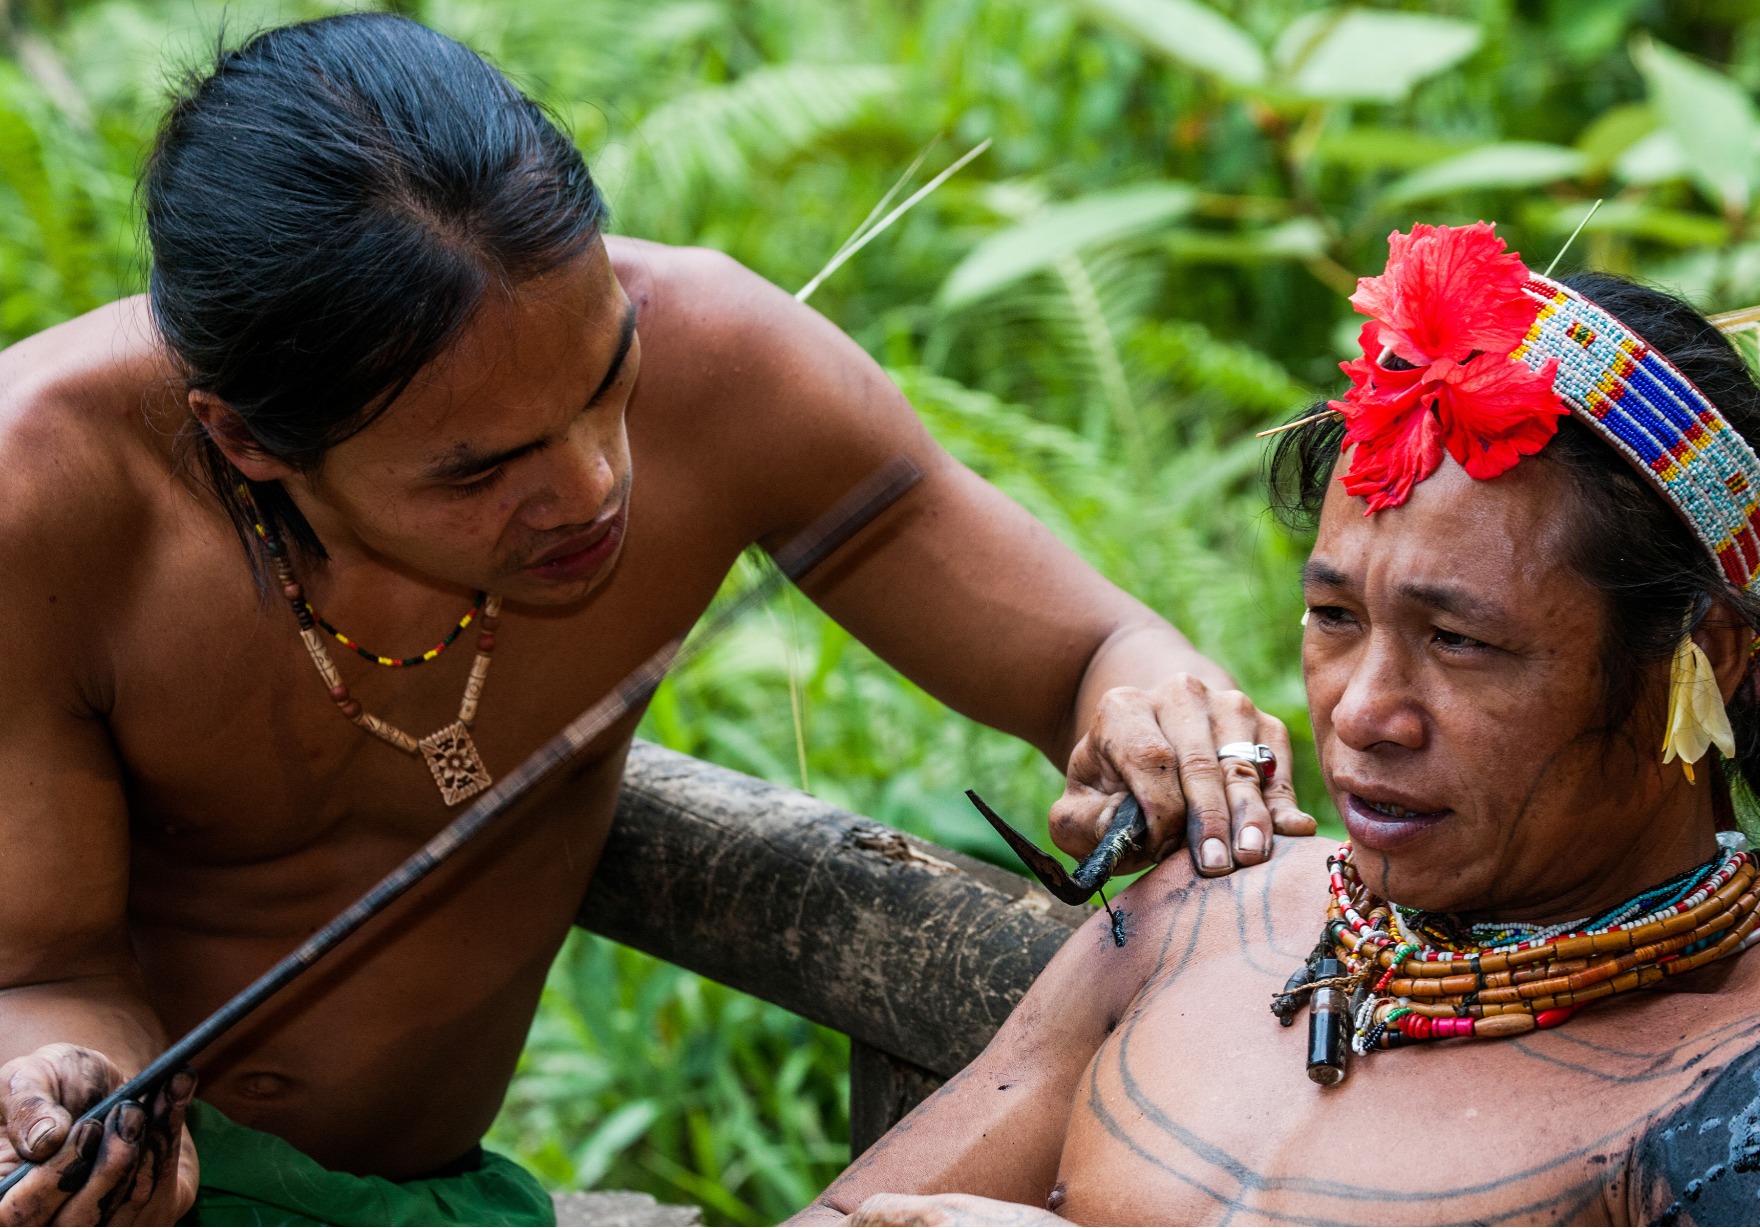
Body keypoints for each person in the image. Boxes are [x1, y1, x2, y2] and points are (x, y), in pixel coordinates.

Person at [0, 14, 1317, 1224]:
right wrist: (76, 1108)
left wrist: (1161, 713)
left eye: (607, 375)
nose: (592, 485)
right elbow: (38, 970)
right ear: (245, 439)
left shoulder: (721, 367)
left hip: (438, 1199)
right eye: (477, 470)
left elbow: (1090, 648)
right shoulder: (43, 502)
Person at [797, 224, 1760, 1227]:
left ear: (1699, 656)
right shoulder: (1201, 916)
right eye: (1335, 614)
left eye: (1460, 642)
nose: (1361, 711)